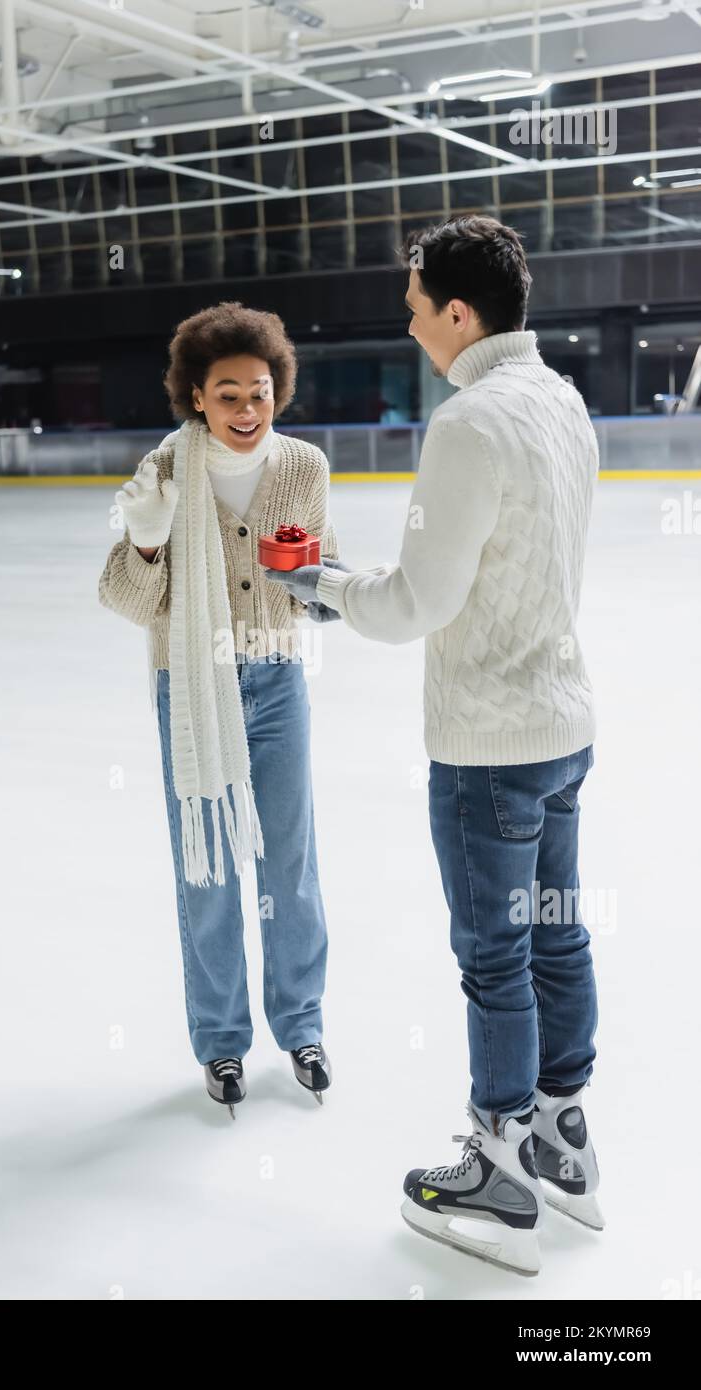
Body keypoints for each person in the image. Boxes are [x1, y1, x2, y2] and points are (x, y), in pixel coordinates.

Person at [267, 216, 601, 1276]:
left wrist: (323, 588)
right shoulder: (563, 402)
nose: (411, 327)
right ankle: (564, 1136)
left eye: (417, 310)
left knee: (495, 956)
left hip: (490, 748)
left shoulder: (469, 424)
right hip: (561, 731)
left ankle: (499, 1169)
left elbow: (417, 602)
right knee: (557, 935)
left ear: (460, 313)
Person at [98, 301, 347, 1117]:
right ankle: (221, 1041)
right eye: (229, 394)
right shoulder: (166, 471)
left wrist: (312, 581)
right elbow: (127, 598)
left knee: (290, 865)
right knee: (204, 869)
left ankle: (301, 1024)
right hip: (192, 689)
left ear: (279, 391)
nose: (247, 410)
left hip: (275, 681)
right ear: (196, 397)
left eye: (260, 392)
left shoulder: (303, 467)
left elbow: (325, 582)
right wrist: (143, 540)